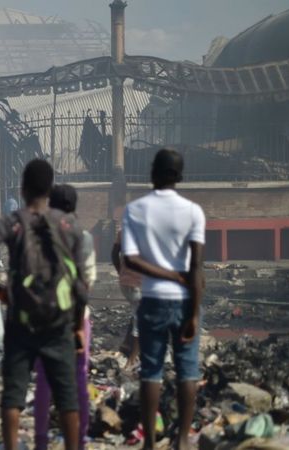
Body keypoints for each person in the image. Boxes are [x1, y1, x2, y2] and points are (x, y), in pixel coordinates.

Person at [0, 159, 86, 450]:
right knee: (67, 397)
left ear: (22, 189)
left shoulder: (11, 222)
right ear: (50, 188)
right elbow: (81, 285)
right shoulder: (69, 225)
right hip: (59, 323)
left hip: (20, 321)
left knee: (13, 395)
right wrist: (76, 324)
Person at [121, 149, 205, 450]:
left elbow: (129, 259)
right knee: (187, 370)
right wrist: (194, 314)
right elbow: (196, 268)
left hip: (152, 299)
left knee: (151, 370)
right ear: (180, 177)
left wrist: (164, 276)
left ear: (152, 172)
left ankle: (150, 443)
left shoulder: (135, 210)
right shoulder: (193, 212)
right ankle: (182, 440)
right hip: (185, 301)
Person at [34, 184, 96, 450]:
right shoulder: (84, 237)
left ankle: (40, 441)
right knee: (78, 378)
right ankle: (78, 441)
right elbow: (86, 284)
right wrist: (79, 325)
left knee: (44, 380)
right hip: (75, 317)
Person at [112, 227, 143, 369]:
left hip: (126, 283)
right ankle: (133, 358)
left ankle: (126, 345)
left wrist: (121, 272)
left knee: (137, 313)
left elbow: (113, 253)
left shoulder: (123, 230)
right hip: (140, 284)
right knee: (140, 320)